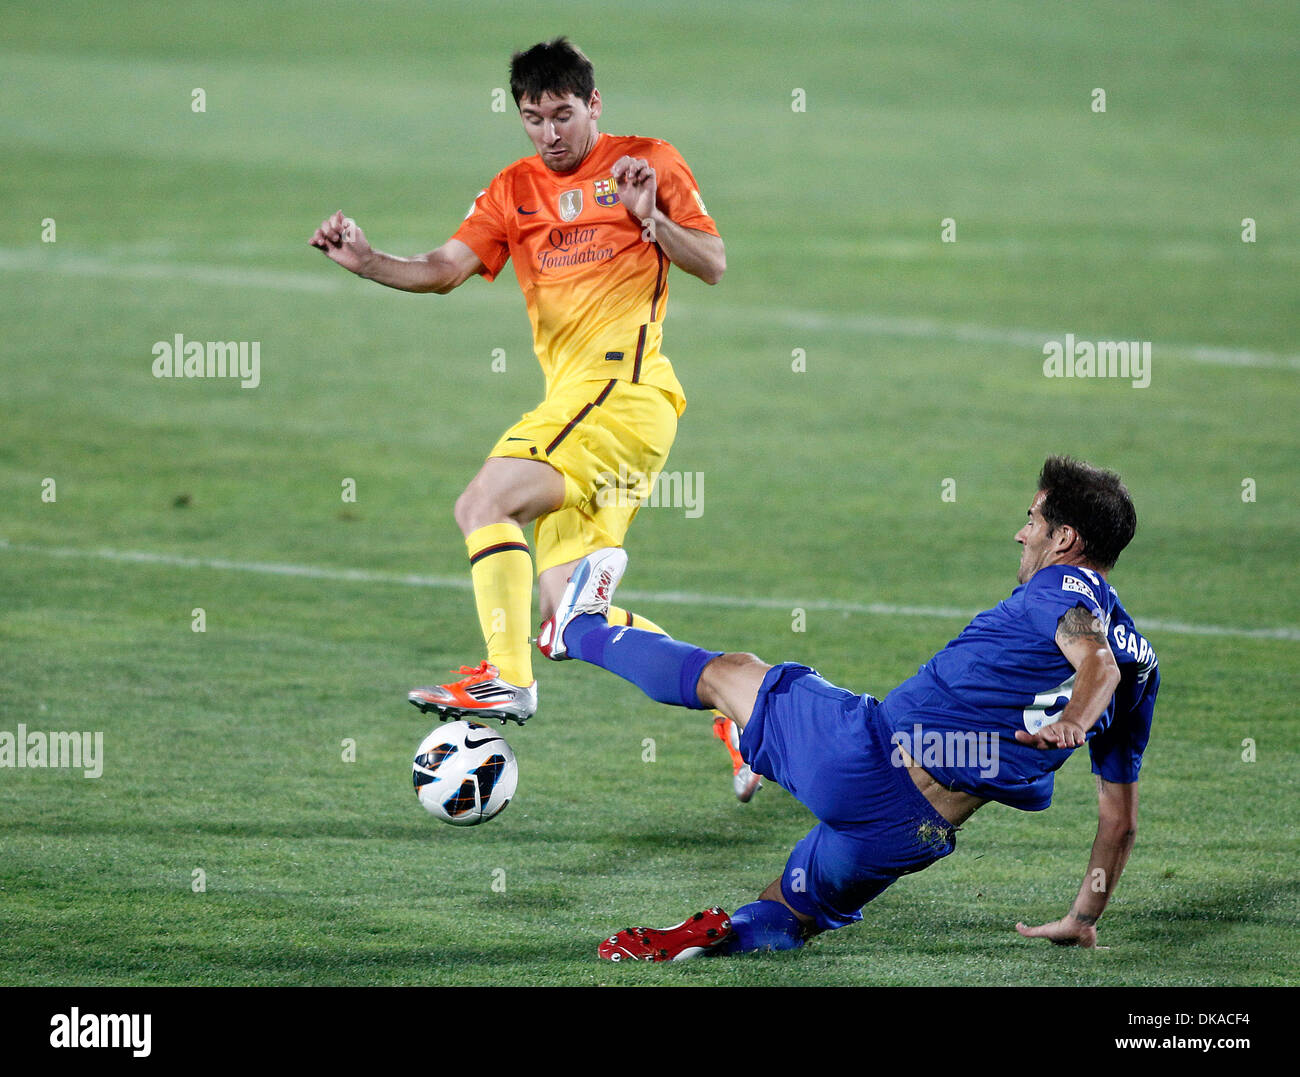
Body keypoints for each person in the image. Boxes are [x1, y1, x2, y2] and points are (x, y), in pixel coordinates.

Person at [534, 456, 1160, 959]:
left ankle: (578, 630)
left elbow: (1094, 659)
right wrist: (1081, 918)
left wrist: (1072, 721)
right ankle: (711, 943)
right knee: (788, 912)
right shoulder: (1145, 667)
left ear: (1066, 539)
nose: (1021, 533)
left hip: (864, 757)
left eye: (1032, 518)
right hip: (913, 834)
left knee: (731, 675)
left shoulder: (1067, 586)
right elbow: (1119, 820)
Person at [308, 37, 729, 736]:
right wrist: (366, 260)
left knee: (485, 500)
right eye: (534, 119)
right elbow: (445, 266)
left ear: (594, 103)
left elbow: (712, 262)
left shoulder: (646, 163)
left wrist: (648, 219)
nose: (550, 134)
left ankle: (505, 680)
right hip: (591, 411)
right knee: (570, 617)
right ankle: (744, 707)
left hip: (619, 395)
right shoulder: (514, 190)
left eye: (563, 115)